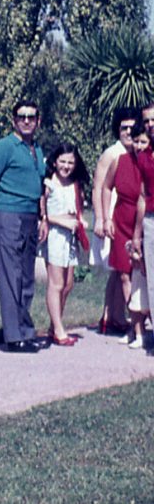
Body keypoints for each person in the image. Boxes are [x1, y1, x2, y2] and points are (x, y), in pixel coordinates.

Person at [0, 99, 48, 353]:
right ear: (14, 120)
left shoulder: (37, 150)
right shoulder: (5, 147)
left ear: (38, 121)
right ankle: (13, 336)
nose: (27, 120)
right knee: (11, 275)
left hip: (31, 216)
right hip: (8, 214)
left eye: (31, 116)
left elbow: (41, 187)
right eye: (22, 116)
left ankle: (25, 330)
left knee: (27, 276)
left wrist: (44, 218)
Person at [102, 122, 154, 347]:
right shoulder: (119, 161)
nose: (138, 145)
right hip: (122, 220)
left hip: (141, 220)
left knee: (143, 274)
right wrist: (105, 218)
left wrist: (138, 232)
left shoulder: (147, 162)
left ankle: (144, 327)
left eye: (142, 141)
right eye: (134, 140)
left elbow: (144, 197)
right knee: (125, 274)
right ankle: (136, 328)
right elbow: (105, 187)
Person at [93, 108, 140, 335]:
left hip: (137, 218)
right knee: (120, 270)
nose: (129, 132)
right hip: (115, 218)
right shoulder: (112, 154)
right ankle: (121, 319)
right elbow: (99, 187)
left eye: (133, 127)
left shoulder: (143, 152)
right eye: (124, 128)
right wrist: (101, 219)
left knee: (121, 271)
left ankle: (111, 316)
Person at [39, 143, 88, 346]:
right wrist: (61, 221)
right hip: (55, 237)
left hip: (70, 239)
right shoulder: (49, 183)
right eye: (62, 161)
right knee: (56, 284)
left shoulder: (75, 184)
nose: (66, 166)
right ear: (55, 161)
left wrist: (80, 221)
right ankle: (59, 331)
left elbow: (78, 209)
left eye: (70, 162)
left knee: (68, 285)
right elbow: (41, 214)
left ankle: (54, 325)